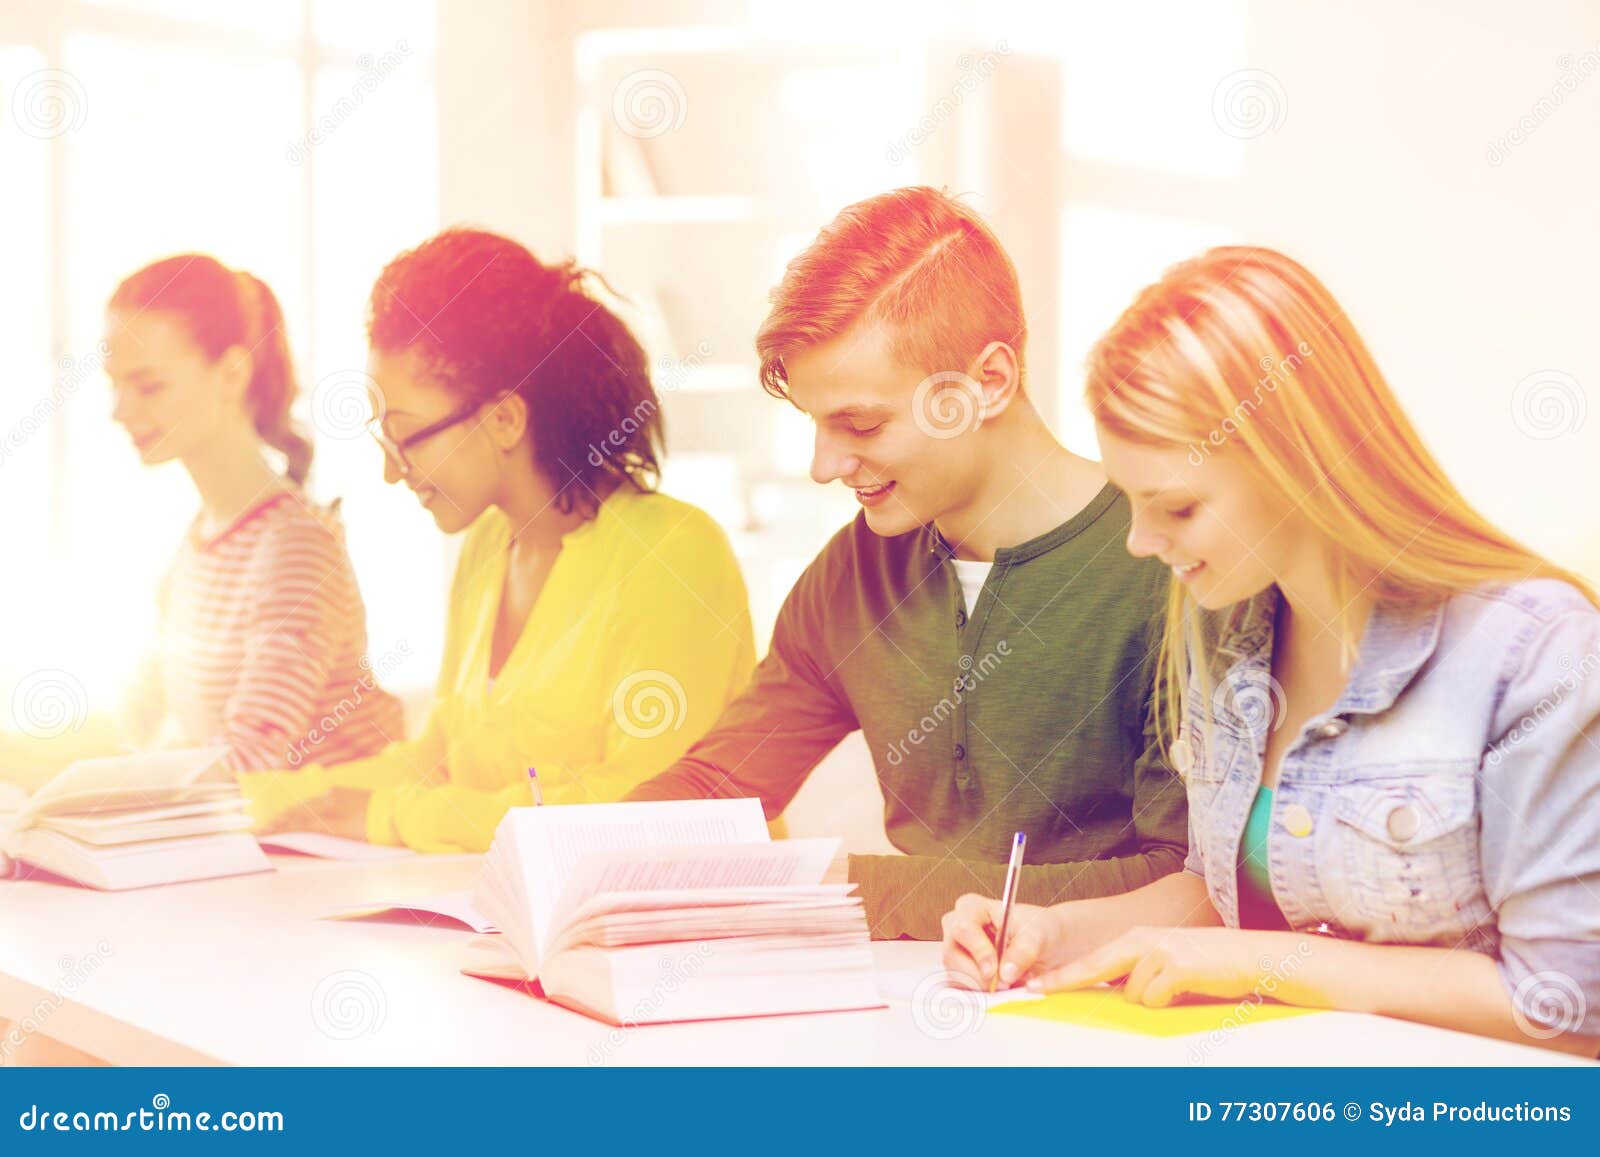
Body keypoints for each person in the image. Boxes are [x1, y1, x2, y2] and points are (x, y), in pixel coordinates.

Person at [939, 245, 1600, 1055]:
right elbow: (1233, 898)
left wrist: (1267, 964)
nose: (1141, 543)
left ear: (1298, 465)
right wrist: (1056, 932)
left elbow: (1564, 1005)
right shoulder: (1224, 628)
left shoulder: (1531, 648)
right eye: (1132, 505)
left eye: (1176, 508)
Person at [629, 187, 1186, 939]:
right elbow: (721, 782)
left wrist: (852, 888)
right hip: (910, 1000)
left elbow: (1179, 879)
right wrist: (586, 852)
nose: (825, 465)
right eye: (817, 425)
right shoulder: (855, 571)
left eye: (860, 423)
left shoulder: (1168, 567)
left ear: (986, 383)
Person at [246, 228, 756, 852]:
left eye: (405, 437)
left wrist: (393, 817)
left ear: (505, 420)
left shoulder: (674, 552)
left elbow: (636, 807)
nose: (390, 470)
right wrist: (271, 798)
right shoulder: (489, 545)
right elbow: (438, 761)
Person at [4, 254, 403, 776]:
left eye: (149, 386)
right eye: (114, 383)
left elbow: (250, 767)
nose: (119, 410)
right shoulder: (198, 545)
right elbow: (135, 720)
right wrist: (20, 753)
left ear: (231, 373)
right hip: (251, 848)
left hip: (330, 851)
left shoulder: (295, 549)